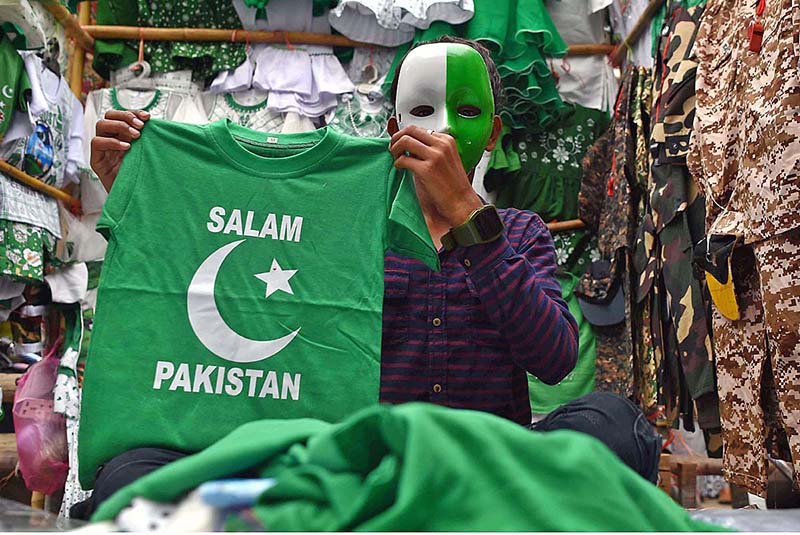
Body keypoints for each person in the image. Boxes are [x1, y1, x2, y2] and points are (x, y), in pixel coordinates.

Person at [74, 36, 659, 519]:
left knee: (615, 427)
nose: (448, 130)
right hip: (365, 465)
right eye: (424, 111)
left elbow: (555, 359)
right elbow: (221, 294)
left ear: (498, 134)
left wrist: (470, 220)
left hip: (488, 457)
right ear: (393, 127)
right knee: (132, 475)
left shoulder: (518, 231)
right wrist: (142, 187)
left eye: (471, 111)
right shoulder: (343, 220)